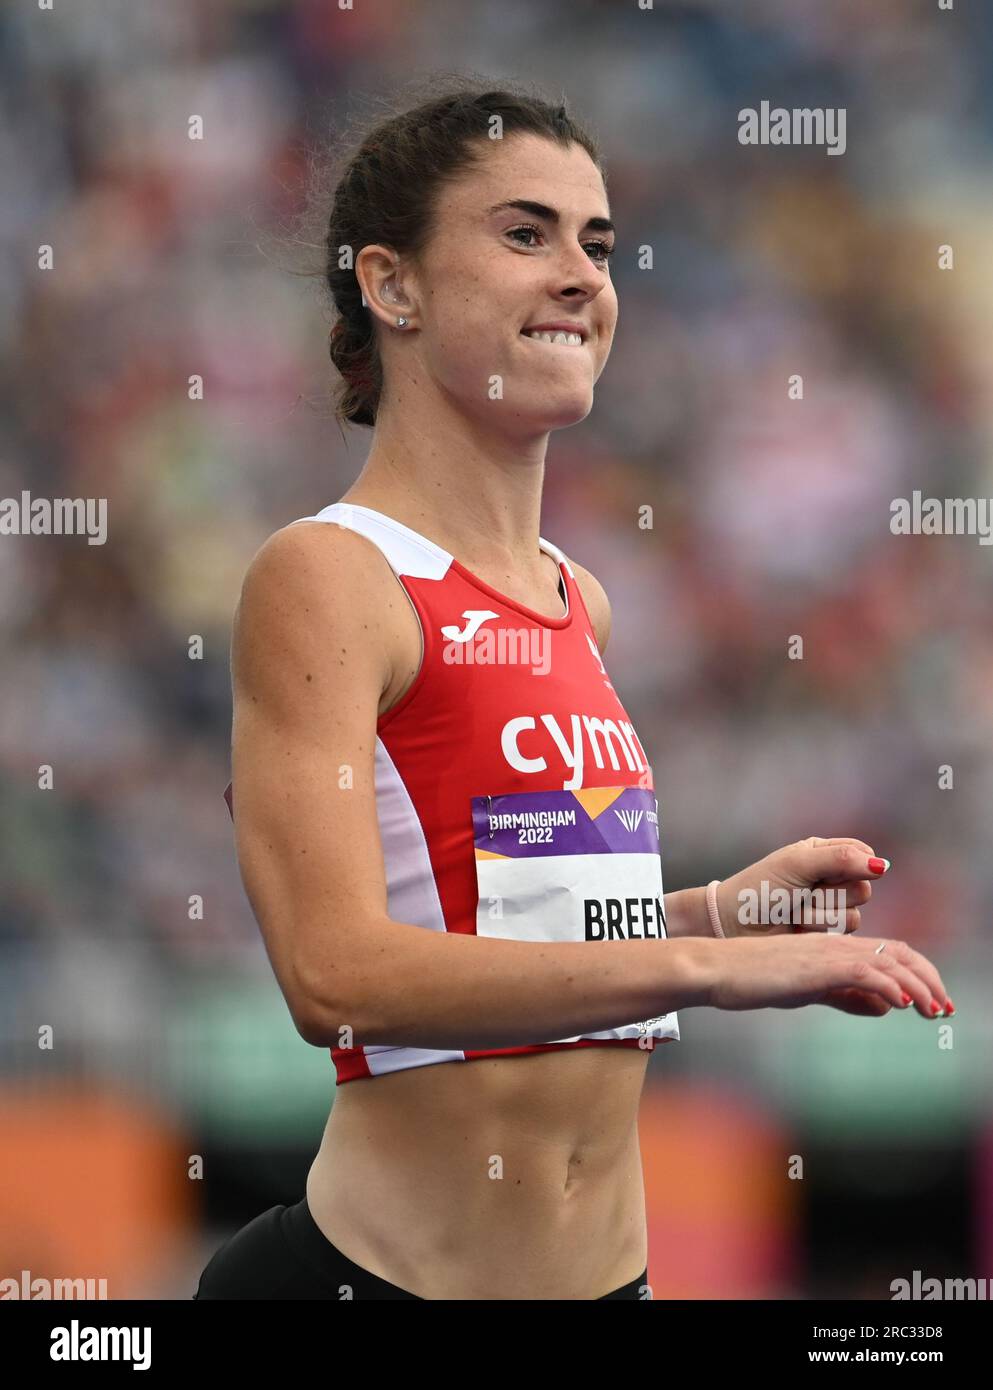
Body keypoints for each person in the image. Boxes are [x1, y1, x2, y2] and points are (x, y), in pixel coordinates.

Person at [194, 80, 950, 1301]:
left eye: (597, 245)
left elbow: (513, 925)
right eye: (524, 233)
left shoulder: (574, 598)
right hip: (383, 1284)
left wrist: (713, 913)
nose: (582, 275)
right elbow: (333, 974)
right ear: (391, 287)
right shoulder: (330, 576)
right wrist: (699, 969)